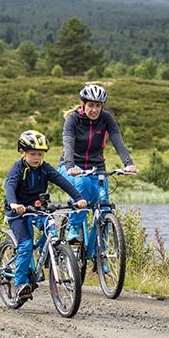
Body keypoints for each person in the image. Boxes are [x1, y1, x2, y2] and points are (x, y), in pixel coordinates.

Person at [4, 130, 87, 300]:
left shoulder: (45, 168)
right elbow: (10, 186)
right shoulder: (17, 169)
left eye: (39, 154)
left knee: (52, 229)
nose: (36, 158)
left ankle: (46, 258)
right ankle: (20, 283)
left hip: (38, 209)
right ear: (22, 152)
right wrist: (14, 203)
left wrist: (78, 198)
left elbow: (62, 181)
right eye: (32, 154)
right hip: (18, 212)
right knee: (26, 245)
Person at [59, 83, 138, 256]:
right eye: (91, 105)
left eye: (98, 106)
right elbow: (68, 143)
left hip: (97, 169)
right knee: (83, 183)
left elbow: (117, 140)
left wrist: (128, 163)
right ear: (83, 104)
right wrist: (71, 166)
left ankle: (101, 255)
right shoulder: (72, 119)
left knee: (105, 208)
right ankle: (73, 227)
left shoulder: (106, 119)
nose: (94, 110)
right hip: (71, 167)